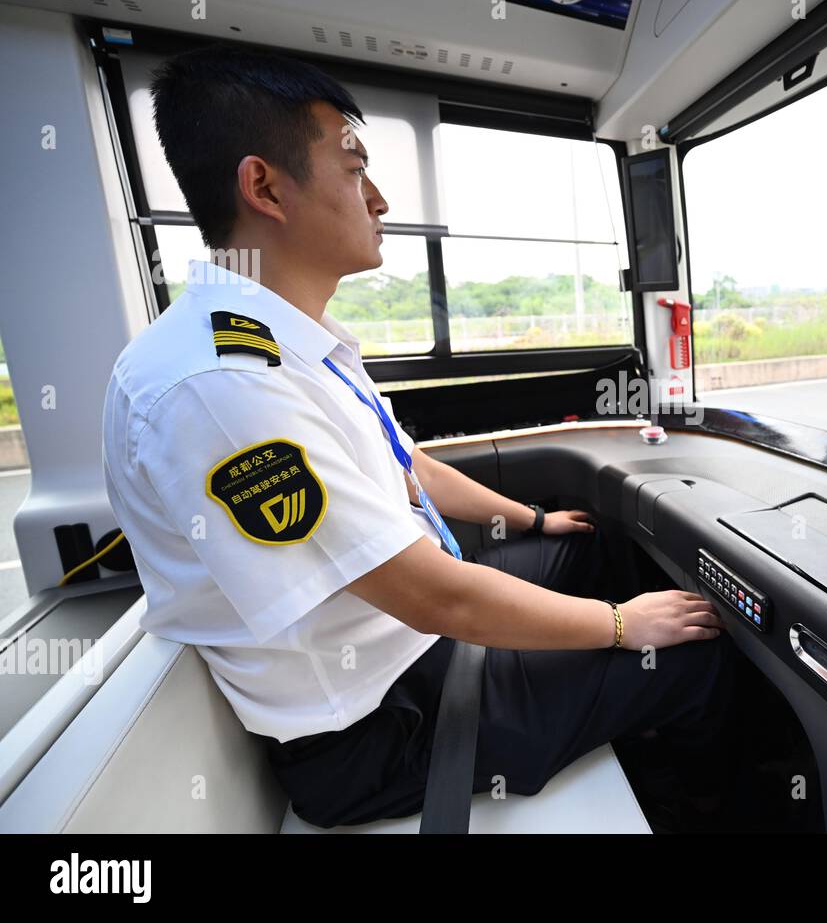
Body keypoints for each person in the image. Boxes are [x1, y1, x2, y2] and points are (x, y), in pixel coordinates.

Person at [100, 44, 736, 830]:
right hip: (381, 725)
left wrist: (538, 522)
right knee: (694, 659)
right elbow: (431, 596)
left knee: (595, 547)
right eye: (356, 168)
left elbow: (411, 468)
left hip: (407, 647)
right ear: (265, 186)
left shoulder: (293, 342)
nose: (381, 199)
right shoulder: (221, 385)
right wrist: (620, 625)